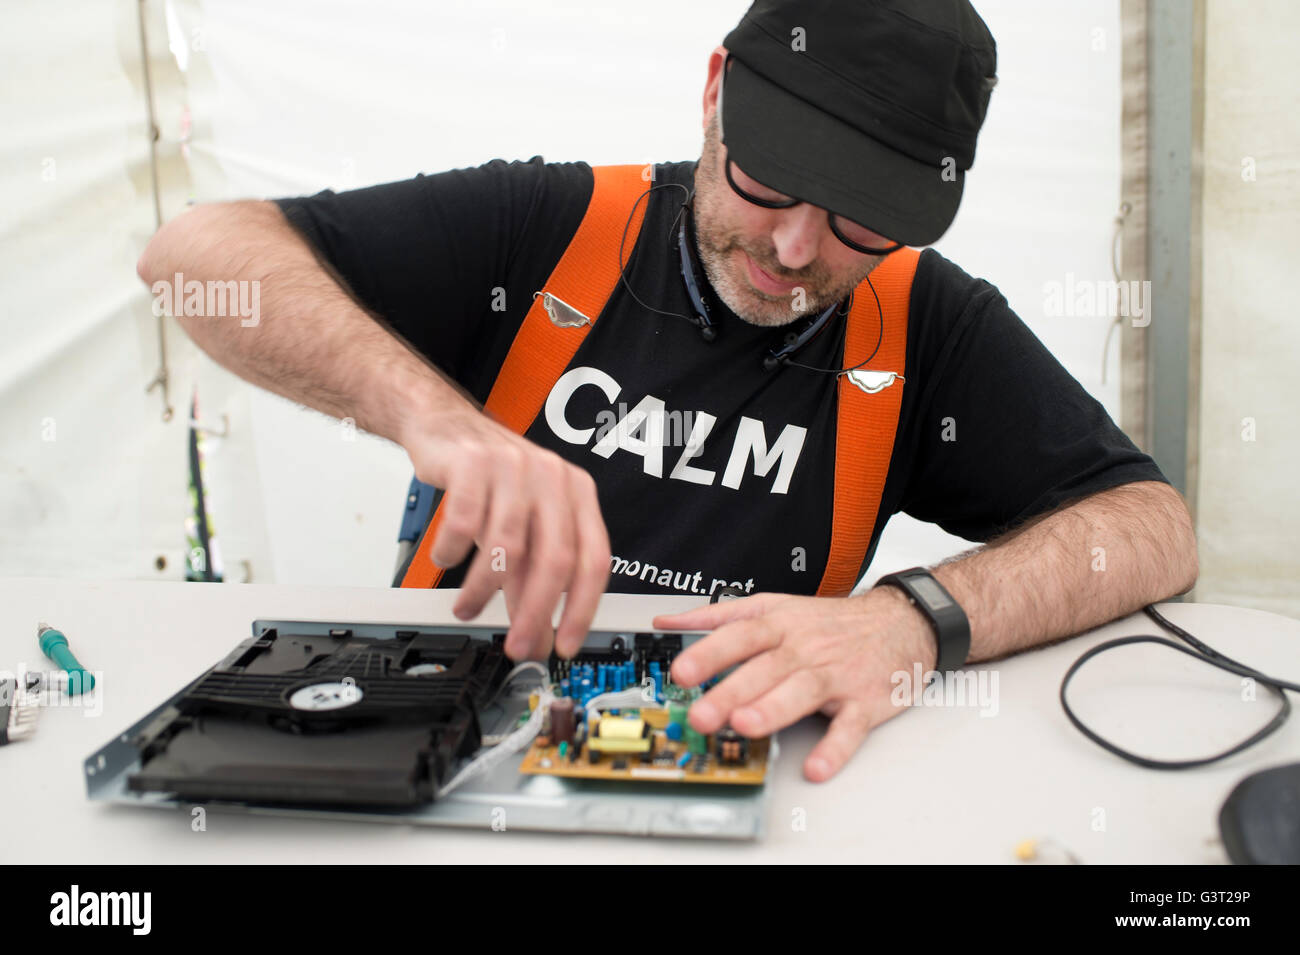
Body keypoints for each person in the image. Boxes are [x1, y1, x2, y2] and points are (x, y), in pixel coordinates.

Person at [137, 0, 1198, 781]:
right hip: (435, 746)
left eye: (860, 219)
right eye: (767, 177)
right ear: (710, 97)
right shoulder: (547, 226)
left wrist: (911, 620)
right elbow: (193, 255)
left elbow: (1152, 527)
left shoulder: (932, 326)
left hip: (728, 770)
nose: (792, 249)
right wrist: (438, 422)